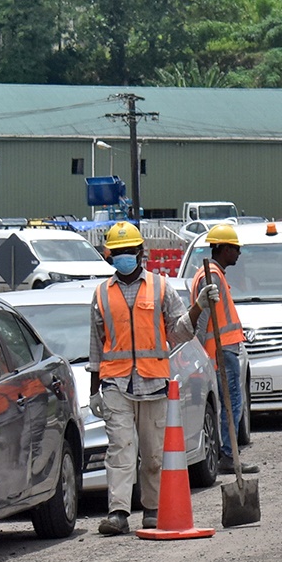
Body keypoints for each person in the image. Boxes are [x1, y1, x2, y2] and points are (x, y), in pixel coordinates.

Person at [90, 222, 208, 535]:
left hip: (154, 383)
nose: (124, 256)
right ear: (109, 256)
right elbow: (95, 346)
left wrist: (199, 307)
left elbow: (179, 331)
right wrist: (93, 393)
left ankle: (153, 509)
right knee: (121, 449)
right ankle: (118, 512)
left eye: (130, 251)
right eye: (119, 252)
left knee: (154, 452)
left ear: (142, 253)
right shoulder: (102, 294)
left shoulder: (161, 288)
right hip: (116, 384)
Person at [191, 223, 257, 475]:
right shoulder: (211, 277)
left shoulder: (215, 274)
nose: (238, 253)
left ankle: (229, 453)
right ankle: (228, 455)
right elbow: (203, 316)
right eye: (235, 248)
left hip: (225, 349)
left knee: (231, 402)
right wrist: (200, 351)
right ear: (222, 248)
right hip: (219, 351)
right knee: (231, 403)